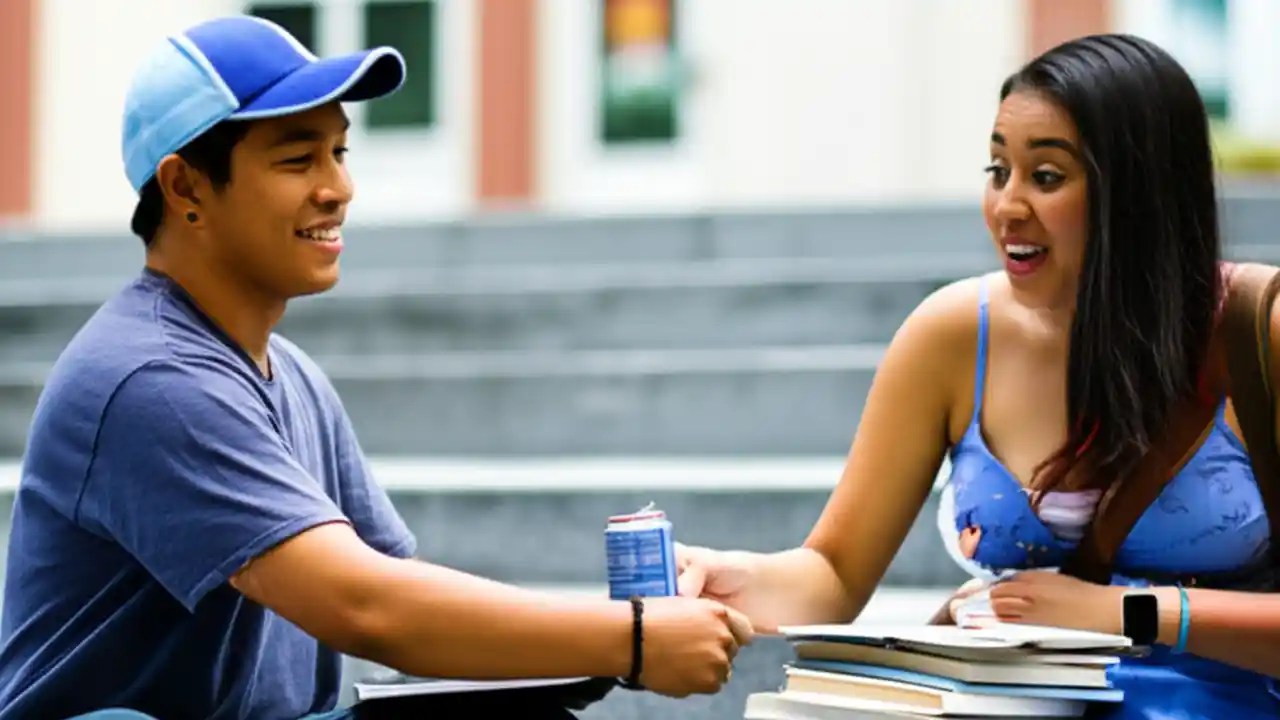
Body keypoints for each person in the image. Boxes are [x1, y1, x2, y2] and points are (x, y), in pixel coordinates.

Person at [0, 15, 751, 720]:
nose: (338, 188)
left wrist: (629, 629)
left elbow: (411, 613)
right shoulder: (150, 380)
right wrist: (634, 637)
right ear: (186, 188)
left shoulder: (289, 375)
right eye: (298, 158)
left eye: (340, 152)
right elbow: (366, 608)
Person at [675, 33, 1280, 719]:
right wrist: (734, 577)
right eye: (997, 171)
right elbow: (835, 574)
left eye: (1046, 177)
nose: (1007, 207)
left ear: (1137, 192)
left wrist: (1127, 611)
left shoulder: (1259, 332)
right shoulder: (952, 334)